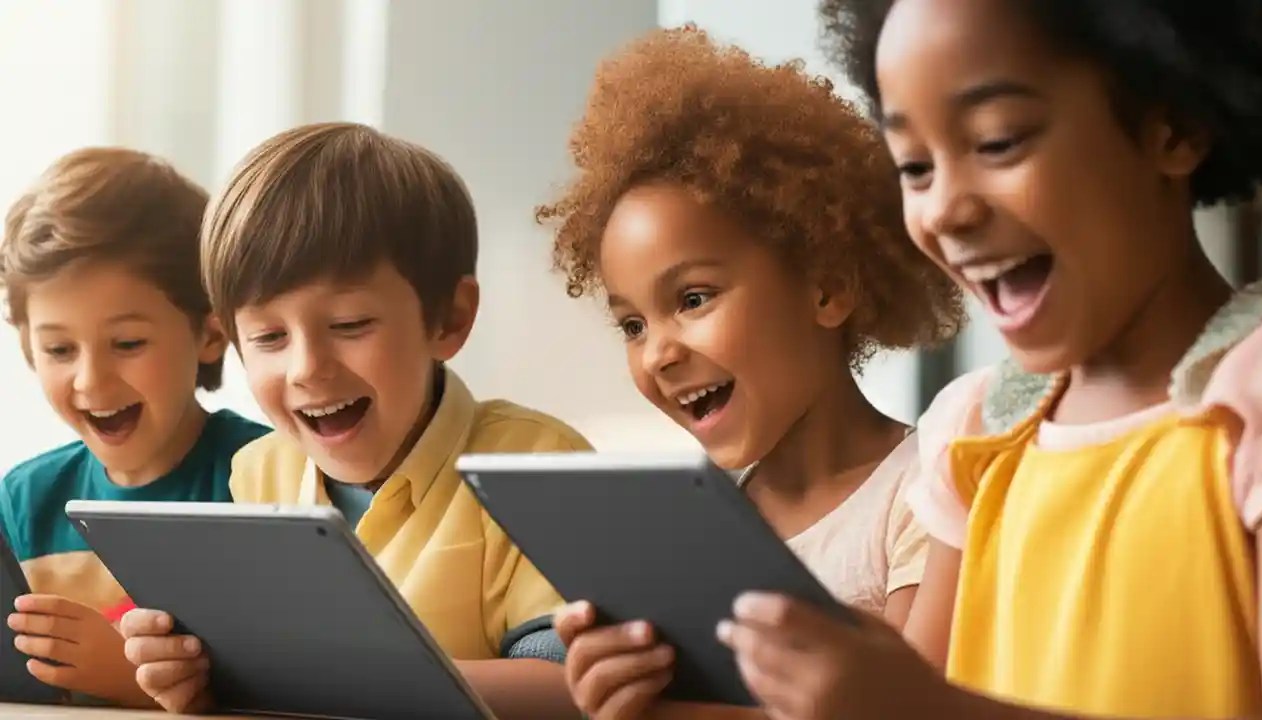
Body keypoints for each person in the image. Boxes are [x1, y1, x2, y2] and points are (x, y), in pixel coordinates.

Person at [716, 0, 1262, 718]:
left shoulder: (1261, 406)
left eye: (997, 141)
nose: (945, 209)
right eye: (915, 167)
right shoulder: (975, 432)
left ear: (1172, 125)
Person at [535, 25, 964, 720]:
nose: (657, 354)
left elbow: (902, 709)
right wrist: (609, 689)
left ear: (827, 287)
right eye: (632, 325)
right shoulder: (694, 531)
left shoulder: (923, 499)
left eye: (693, 299)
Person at [117, 123, 591, 720]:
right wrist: (197, 675)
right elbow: (258, 677)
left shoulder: (535, 465)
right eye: (267, 337)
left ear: (448, 319)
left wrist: (346, 677)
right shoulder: (258, 472)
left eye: (349, 326)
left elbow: (571, 684)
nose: (307, 369)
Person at [0, 148, 268, 707]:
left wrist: (127, 679)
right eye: (58, 349)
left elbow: (291, 692)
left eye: (128, 344)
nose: (91, 381)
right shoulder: (24, 500)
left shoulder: (269, 482)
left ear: (210, 334)